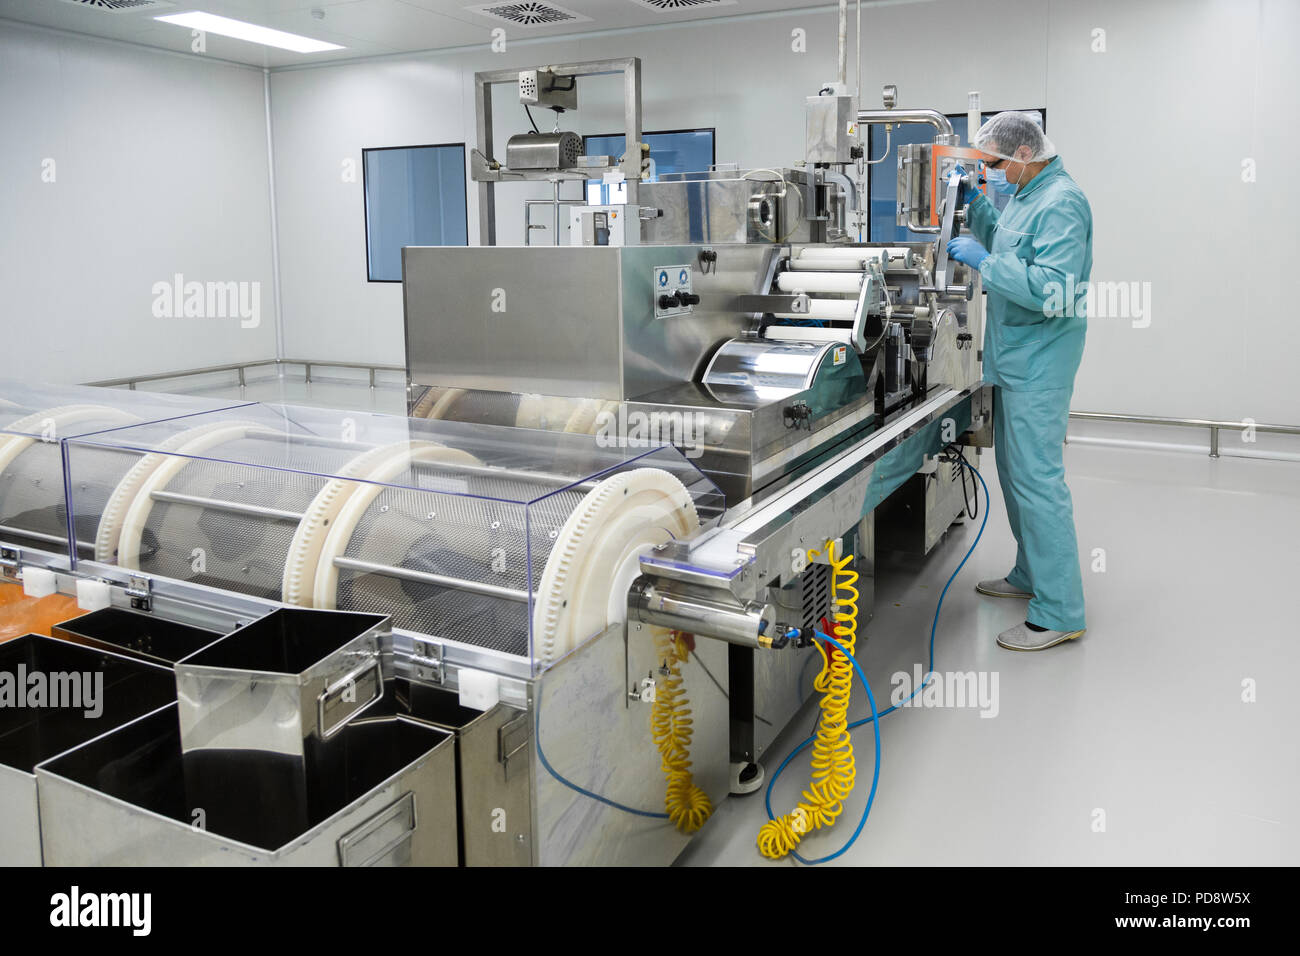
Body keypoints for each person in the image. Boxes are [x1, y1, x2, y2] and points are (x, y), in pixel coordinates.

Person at [945, 112, 1092, 651]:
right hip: (1014, 356)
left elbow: (1055, 288)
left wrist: (986, 264)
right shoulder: (1028, 196)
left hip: (1041, 361)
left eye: (997, 164)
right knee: (1014, 473)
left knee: (1038, 481)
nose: (995, 172)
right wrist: (976, 206)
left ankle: (1059, 611)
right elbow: (1009, 244)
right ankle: (1031, 575)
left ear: (1025, 154)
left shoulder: (1063, 202)